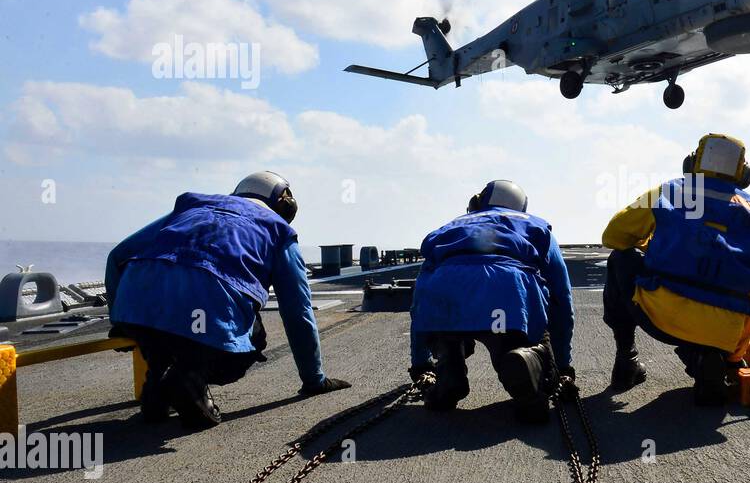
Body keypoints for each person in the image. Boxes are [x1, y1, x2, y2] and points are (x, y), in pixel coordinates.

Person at [105, 171, 350, 427]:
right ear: (284, 205)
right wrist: (314, 379)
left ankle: (159, 387)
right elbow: (298, 312)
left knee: (166, 330)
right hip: (207, 306)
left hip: (135, 305)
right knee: (250, 339)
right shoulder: (279, 232)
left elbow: (117, 255)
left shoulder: (194, 206)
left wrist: (119, 321)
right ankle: (189, 378)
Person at [601, 133, 750, 405]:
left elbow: (613, 236)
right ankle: (706, 359)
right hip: (723, 330)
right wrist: (734, 356)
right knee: (714, 302)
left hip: (662, 317)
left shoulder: (670, 190)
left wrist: (656, 247)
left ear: (691, 163)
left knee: (620, 258)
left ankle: (627, 360)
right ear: (744, 174)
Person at [409, 180, 574, 424]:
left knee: (445, 333)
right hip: (507, 298)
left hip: (445, 298)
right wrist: (561, 366)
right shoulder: (536, 226)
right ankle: (524, 361)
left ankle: (448, 371)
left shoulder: (447, 228)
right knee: (518, 349)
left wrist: (420, 364)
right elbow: (562, 297)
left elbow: (419, 300)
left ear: (477, 203)